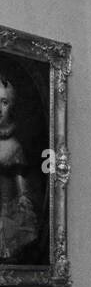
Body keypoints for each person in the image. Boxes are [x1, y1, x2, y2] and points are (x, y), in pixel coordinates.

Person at [0, 71, 39, 262]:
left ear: (11, 107)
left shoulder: (14, 146)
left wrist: (23, 200)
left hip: (6, 217)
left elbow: (21, 183)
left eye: (4, 102)